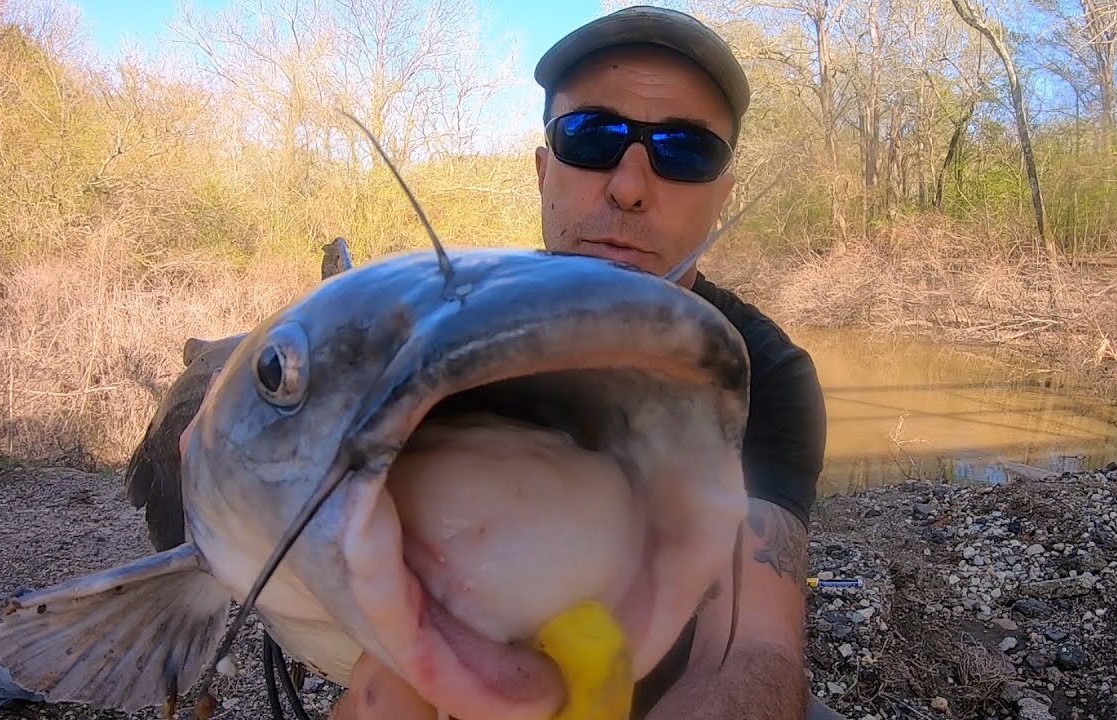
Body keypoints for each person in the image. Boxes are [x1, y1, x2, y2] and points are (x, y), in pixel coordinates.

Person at [329, 6, 836, 720]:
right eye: (592, 136)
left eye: (684, 151)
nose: (629, 185)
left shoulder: (764, 369)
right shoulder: (444, 327)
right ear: (544, 171)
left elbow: (752, 650)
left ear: (722, 200)